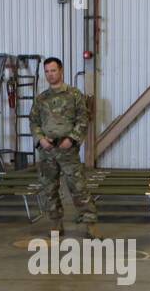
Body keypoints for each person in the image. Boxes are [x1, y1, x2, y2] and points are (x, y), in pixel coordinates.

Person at [29, 57, 99, 238]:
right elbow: (34, 122)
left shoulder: (74, 95)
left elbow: (83, 120)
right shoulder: (41, 98)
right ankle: (55, 222)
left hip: (67, 149)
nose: (50, 75)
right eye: (47, 72)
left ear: (61, 70)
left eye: (53, 70)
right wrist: (40, 139)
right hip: (47, 150)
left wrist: (72, 139)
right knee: (49, 188)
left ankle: (89, 223)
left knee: (78, 187)